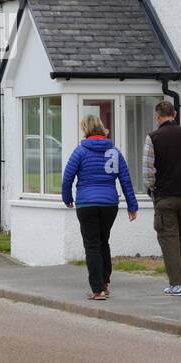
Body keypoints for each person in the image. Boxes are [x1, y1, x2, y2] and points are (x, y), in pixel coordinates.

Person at [62, 114, 138, 301]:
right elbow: (125, 180)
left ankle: (98, 290)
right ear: (101, 128)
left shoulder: (80, 152)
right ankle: (104, 282)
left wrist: (67, 198)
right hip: (109, 204)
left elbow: (67, 177)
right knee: (103, 242)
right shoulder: (114, 152)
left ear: (86, 129)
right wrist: (132, 205)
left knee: (92, 246)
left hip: (86, 204)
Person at [142, 99, 181, 296]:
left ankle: (176, 284)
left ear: (157, 116)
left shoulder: (153, 138)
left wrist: (154, 190)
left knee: (168, 238)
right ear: (175, 114)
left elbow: (148, 172)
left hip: (165, 197)